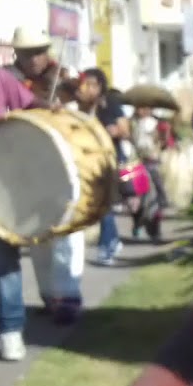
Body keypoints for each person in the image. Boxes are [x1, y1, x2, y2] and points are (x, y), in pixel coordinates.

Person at [0, 26, 61, 360]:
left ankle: (9, 330)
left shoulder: (3, 80)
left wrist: (46, 107)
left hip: (4, 185)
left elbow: (28, 103)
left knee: (4, 261)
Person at [77, 68, 129, 265]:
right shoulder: (81, 106)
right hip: (89, 159)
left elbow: (125, 129)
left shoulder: (110, 103)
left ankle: (106, 247)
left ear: (100, 86)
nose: (88, 88)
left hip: (109, 159)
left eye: (92, 84)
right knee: (100, 203)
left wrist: (110, 130)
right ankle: (112, 240)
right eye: (85, 84)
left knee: (104, 203)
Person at [129, 105, 173, 241]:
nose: (142, 110)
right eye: (140, 107)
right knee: (139, 199)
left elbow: (165, 144)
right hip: (137, 164)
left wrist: (163, 135)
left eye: (145, 107)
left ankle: (155, 229)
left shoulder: (158, 124)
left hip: (153, 164)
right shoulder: (132, 123)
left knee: (155, 198)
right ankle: (138, 222)